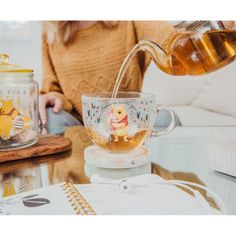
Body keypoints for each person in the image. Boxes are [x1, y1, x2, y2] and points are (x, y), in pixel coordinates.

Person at [39, 21, 234, 132]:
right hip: (79, 126)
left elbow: (169, 37)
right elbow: (53, 88)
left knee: (164, 119)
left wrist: (217, 26)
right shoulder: (51, 34)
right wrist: (52, 97)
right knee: (50, 117)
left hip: (127, 121)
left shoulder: (128, 21)